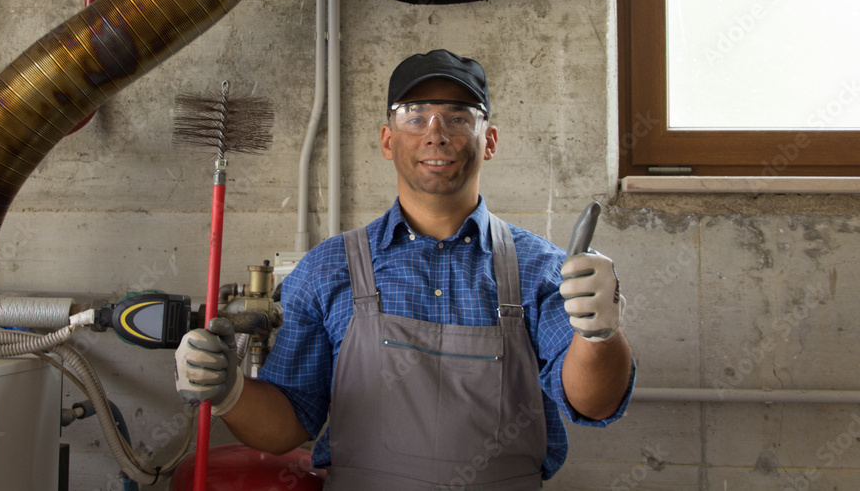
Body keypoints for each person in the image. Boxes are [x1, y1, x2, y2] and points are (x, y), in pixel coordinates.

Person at [176, 49, 635, 489]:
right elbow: (290, 422)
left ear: (488, 141)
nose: (435, 133)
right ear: (387, 140)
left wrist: (600, 335)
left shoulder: (542, 271)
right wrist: (229, 391)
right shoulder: (328, 269)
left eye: (458, 117)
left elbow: (594, 403)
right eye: (415, 116)